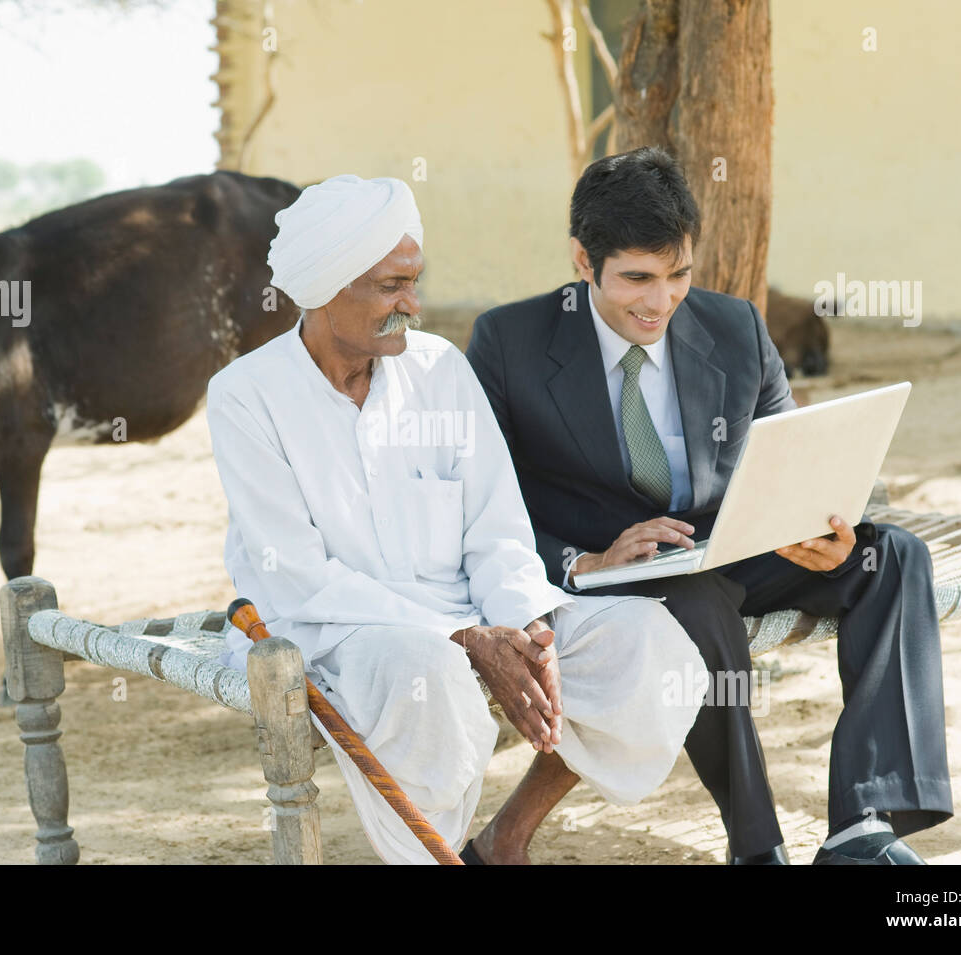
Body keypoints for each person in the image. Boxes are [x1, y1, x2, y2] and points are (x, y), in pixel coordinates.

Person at [466, 147, 952, 865]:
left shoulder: (735, 327)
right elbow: (480, 505)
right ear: (582, 259)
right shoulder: (509, 342)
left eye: (677, 275)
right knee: (696, 604)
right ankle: (758, 849)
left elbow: (793, 452)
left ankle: (861, 826)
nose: (659, 301)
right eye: (636, 278)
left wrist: (824, 528)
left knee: (893, 556)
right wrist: (585, 559)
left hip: (734, 544)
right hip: (611, 570)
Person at [206, 173, 707, 865]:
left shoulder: (439, 368)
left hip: (472, 613)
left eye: (414, 280)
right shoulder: (246, 396)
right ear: (325, 287)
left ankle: (503, 836)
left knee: (644, 639)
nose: (413, 303)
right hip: (335, 631)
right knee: (430, 670)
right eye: (392, 286)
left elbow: (496, 530)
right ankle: (430, 855)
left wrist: (525, 622)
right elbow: (295, 577)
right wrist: (465, 635)